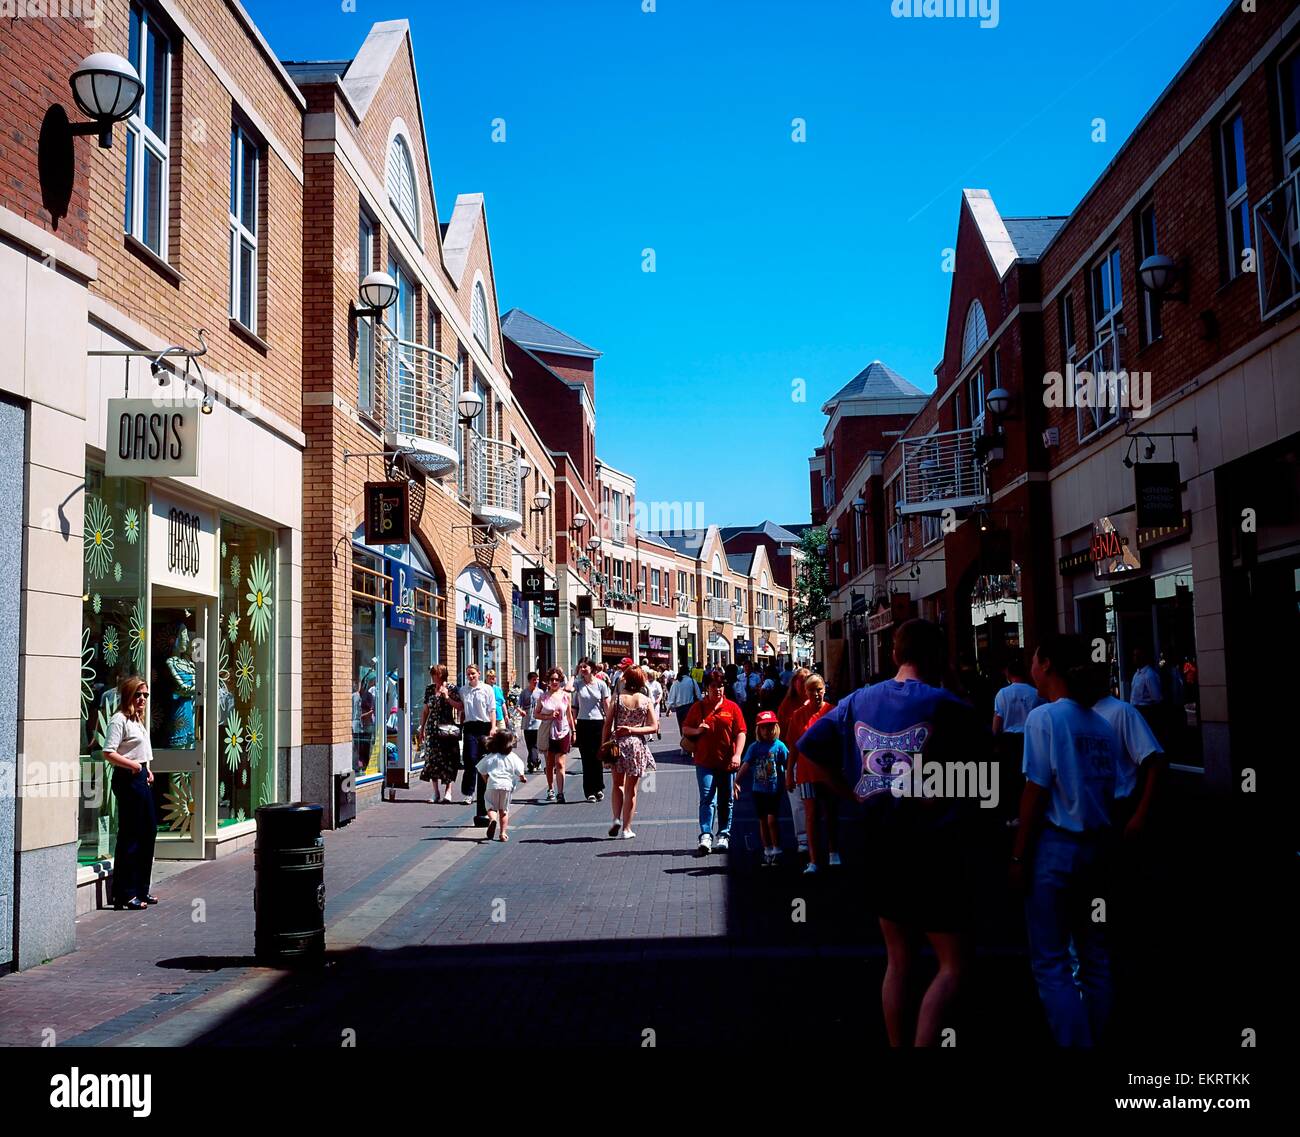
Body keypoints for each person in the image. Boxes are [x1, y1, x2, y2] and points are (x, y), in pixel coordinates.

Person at [797, 619, 991, 1047]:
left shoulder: (857, 701)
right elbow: (985, 783)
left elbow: (808, 747)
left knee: (899, 960)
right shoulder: (951, 707)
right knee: (953, 965)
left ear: (893, 655)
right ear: (938, 656)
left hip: (879, 843)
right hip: (936, 847)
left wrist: (851, 791)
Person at [1011, 634, 1123, 1048]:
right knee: (1095, 956)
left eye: (1036, 659)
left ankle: (1075, 1043)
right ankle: (1098, 1033)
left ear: (1049, 665)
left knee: (1052, 961)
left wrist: (1019, 855)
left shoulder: (1046, 718)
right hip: (1098, 846)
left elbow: (1036, 789)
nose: (1032, 667)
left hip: (1057, 848)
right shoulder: (1101, 725)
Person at [101, 675, 159, 911]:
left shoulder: (137, 720)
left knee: (148, 831)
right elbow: (108, 752)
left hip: (140, 776)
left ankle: (141, 889)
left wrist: (147, 768)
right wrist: (134, 766)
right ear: (128, 695)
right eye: (138, 694)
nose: (143, 698)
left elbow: (141, 751)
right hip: (128, 778)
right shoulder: (119, 720)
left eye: (145, 695)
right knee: (131, 835)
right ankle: (124, 894)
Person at [682, 668, 747, 855]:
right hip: (704, 762)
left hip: (727, 762)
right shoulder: (699, 707)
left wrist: (737, 755)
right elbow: (686, 728)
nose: (718, 689)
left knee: (726, 801)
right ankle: (706, 835)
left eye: (720, 685)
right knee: (707, 798)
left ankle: (724, 835)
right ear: (707, 688)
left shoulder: (732, 707)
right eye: (713, 686)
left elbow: (741, 732)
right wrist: (698, 730)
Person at [787, 673, 838, 871]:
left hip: (829, 772)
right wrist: (789, 773)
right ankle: (814, 860)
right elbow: (793, 747)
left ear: (824, 690)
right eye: (812, 690)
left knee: (831, 813)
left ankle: (834, 852)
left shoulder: (833, 712)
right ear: (805, 692)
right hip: (807, 773)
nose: (816, 694)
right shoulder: (798, 715)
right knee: (811, 816)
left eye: (819, 689)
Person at [603, 665, 658, 839]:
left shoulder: (617, 698)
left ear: (625, 679)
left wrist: (604, 744)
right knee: (631, 789)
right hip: (636, 746)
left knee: (617, 784)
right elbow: (654, 727)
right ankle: (627, 829)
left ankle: (615, 818)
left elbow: (607, 723)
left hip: (617, 743)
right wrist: (633, 730)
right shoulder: (645, 700)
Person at [991, 653, 1044, 822]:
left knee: (1010, 778)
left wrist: (995, 739)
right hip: (1029, 738)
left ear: (1008, 673)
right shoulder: (1036, 693)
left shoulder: (1002, 694)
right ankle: (1028, 813)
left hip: (1009, 740)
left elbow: (997, 720)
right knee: (1028, 778)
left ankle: (1013, 815)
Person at [735, 711, 789, 865]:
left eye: (770, 727)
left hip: (774, 790)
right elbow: (746, 764)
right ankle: (767, 848)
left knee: (772, 819)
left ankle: (777, 848)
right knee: (763, 820)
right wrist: (737, 781)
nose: (767, 731)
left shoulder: (779, 746)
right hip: (758, 790)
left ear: (775, 728)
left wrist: (789, 778)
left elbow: (787, 763)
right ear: (759, 730)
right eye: (763, 728)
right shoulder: (755, 747)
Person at [459, 665, 500, 826]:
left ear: (479, 674)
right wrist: (448, 698)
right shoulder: (464, 690)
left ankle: (486, 795)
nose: (471, 677)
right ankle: (468, 792)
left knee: (484, 762)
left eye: (473, 674)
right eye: (468, 674)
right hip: (470, 727)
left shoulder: (487, 689)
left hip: (483, 726)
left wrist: (493, 727)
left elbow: (492, 709)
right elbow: (461, 707)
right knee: (470, 759)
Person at [776, 667, 812, 854]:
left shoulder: (815, 702)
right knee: (797, 801)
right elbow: (779, 733)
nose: (802, 682)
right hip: (794, 757)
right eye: (798, 679)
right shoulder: (787, 704)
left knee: (814, 801)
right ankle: (803, 838)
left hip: (814, 759)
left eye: (805, 679)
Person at [417, 664, 463, 803]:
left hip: (447, 727)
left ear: (441, 675)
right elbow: (425, 710)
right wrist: (422, 728)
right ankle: (435, 792)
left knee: (448, 758)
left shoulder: (452, 688)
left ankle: (448, 791)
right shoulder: (430, 689)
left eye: (435, 675)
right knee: (432, 759)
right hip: (432, 728)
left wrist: (447, 697)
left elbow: (460, 707)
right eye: (432, 675)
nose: (433, 677)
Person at [572, 658, 612, 803]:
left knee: (598, 756)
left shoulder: (601, 684)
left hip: (598, 723)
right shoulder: (577, 684)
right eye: (580, 667)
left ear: (592, 668)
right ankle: (589, 791)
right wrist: (574, 675)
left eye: (585, 667)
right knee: (586, 759)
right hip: (583, 724)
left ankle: (599, 787)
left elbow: (606, 704)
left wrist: (610, 723)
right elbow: (568, 691)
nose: (583, 669)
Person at [476, 729, 525, 841]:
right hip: (507, 786)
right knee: (504, 810)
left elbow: (481, 769)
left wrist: (486, 780)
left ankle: (492, 820)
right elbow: (520, 770)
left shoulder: (491, 756)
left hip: (492, 784)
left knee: (491, 807)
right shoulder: (512, 757)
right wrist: (522, 777)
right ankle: (503, 833)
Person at [539, 667, 576, 802]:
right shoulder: (543, 697)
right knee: (549, 763)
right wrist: (548, 716)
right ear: (548, 682)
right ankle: (551, 789)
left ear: (560, 681)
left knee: (560, 763)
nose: (554, 682)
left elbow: (569, 715)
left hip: (563, 731)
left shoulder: (565, 696)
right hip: (548, 732)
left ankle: (561, 793)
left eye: (557, 679)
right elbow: (536, 714)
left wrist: (574, 731)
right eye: (552, 679)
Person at [667, 665, 702, 755]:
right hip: (691, 707)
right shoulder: (692, 681)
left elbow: (671, 697)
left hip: (679, 708)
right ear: (688, 672)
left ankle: (684, 746)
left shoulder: (676, 683)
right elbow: (698, 695)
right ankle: (690, 747)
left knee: (682, 727)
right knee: (691, 728)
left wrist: (668, 709)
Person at [517, 671, 542, 775]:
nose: (535, 681)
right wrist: (521, 711)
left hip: (537, 722)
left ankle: (532, 762)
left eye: (537, 679)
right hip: (527, 722)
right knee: (529, 745)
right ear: (529, 681)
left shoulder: (540, 692)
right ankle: (534, 762)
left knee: (535, 744)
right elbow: (518, 705)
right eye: (533, 680)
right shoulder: (524, 692)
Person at [645, 671, 664, 740]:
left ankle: (658, 730)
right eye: (648, 675)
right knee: (649, 719)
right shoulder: (645, 683)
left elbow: (660, 693)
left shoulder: (657, 684)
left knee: (656, 719)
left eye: (650, 675)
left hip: (655, 704)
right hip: (647, 703)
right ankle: (650, 736)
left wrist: (658, 700)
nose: (649, 677)